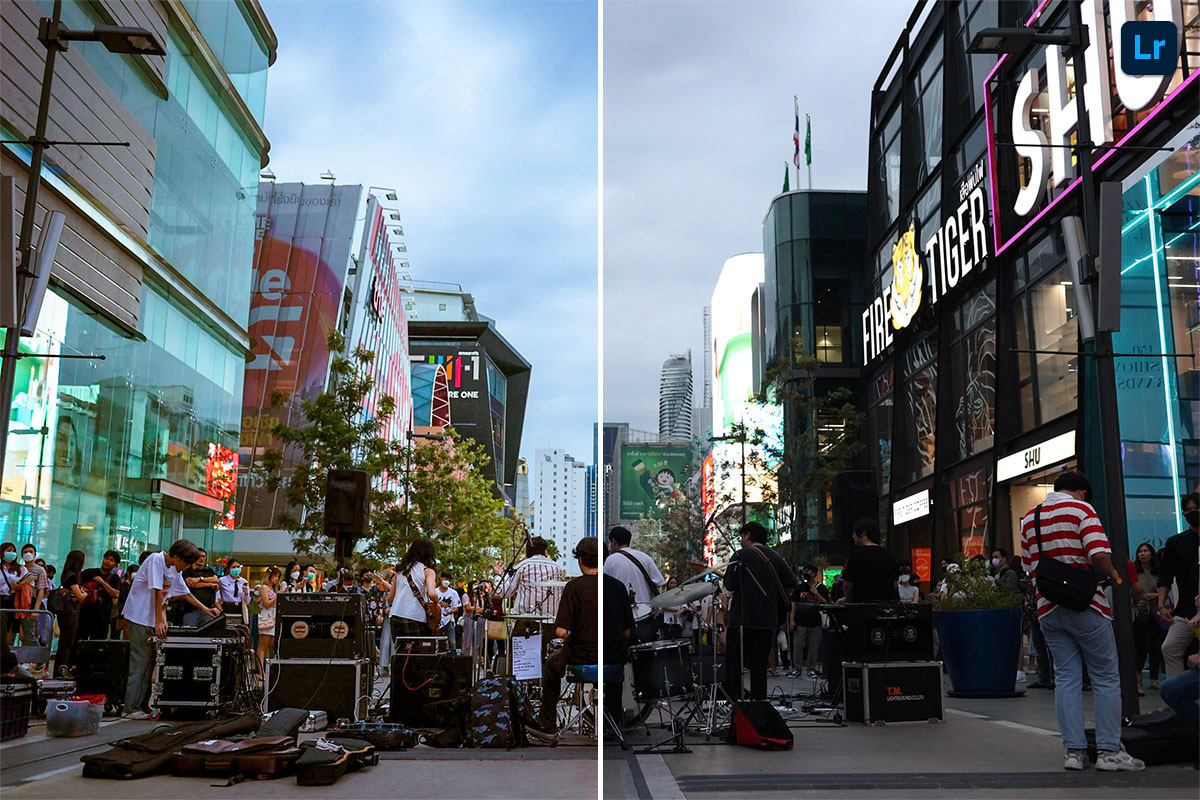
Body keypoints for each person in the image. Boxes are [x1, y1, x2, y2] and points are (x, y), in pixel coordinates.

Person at [1020, 471, 1143, 771]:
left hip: (1048, 607)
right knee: (1105, 676)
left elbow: (1028, 566)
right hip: (1085, 604)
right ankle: (1109, 751)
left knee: (1066, 678)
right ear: (1082, 493)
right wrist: (1115, 576)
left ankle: (1074, 752)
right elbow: (1098, 553)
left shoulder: (1028, 518)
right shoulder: (1082, 510)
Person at [122, 540, 220, 718]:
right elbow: (157, 590)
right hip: (140, 616)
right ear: (176, 557)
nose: (187, 567)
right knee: (140, 662)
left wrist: (206, 609)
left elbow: (185, 592)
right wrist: (160, 620)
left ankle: (142, 706)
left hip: (152, 619)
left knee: (150, 663)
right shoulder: (156, 559)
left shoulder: (175, 569)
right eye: (186, 563)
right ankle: (130, 708)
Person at [722, 521, 796, 701]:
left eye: (741, 536)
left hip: (741, 619)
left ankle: (736, 702)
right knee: (759, 666)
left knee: (734, 664)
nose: (740, 540)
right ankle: (759, 703)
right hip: (766, 621)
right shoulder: (776, 557)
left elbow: (728, 587)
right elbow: (791, 586)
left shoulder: (740, 555)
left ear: (748, 535)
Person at [538, 537, 599, 733]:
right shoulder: (616, 586)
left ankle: (547, 723)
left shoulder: (573, 587)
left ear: (580, 560)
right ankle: (614, 718)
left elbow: (561, 631)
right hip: (610, 654)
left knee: (551, 666)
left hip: (581, 653)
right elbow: (626, 630)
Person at [1157, 493, 1199, 677]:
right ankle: (1177, 692)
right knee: (1170, 647)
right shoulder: (1176, 543)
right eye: (1188, 510)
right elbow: (1165, 576)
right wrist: (1161, 605)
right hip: (1186, 608)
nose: (1192, 513)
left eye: (1196, 509)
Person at [493, 536, 566, 618]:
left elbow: (505, 592)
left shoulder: (523, 566)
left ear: (528, 551)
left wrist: (498, 576)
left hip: (526, 622)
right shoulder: (557, 568)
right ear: (545, 552)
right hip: (552, 621)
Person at [1132, 542, 1166, 694]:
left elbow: (1165, 590)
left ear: (1151, 554)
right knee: (1141, 646)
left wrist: (1157, 595)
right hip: (1141, 611)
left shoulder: (1157, 572)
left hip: (1156, 612)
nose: (1142, 554)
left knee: (1156, 646)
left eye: (1145, 551)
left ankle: (1153, 678)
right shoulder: (1134, 571)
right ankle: (1137, 677)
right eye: (1140, 551)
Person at [388, 538, 439, 640]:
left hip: (395, 615)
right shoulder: (428, 571)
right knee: (416, 653)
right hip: (415, 616)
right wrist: (437, 602)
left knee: (400, 652)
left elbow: (390, 599)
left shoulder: (401, 570)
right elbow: (432, 594)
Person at [839, 519, 898, 603]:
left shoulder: (856, 555)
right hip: (886, 607)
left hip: (862, 608)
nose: (853, 536)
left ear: (863, 533)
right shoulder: (889, 555)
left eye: (854, 533)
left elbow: (847, 585)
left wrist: (847, 599)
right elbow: (894, 584)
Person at [605, 526, 665, 604]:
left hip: (620, 609)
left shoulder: (610, 560)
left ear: (614, 541)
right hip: (644, 609)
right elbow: (659, 581)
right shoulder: (645, 557)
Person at [52, 550, 88, 678]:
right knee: (67, 642)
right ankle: (62, 668)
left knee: (65, 641)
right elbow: (79, 595)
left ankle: (60, 668)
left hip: (65, 612)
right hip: (70, 612)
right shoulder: (72, 576)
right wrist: (86, 594)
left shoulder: (65, 574)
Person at [791, 564, 828, 677]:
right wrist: (792, 620)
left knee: (813, 647)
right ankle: (797, 668)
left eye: (808, 571)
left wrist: (816, 593)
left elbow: (825, 603)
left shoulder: (821, 588)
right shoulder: (800, 588)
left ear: (814, 573)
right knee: (798, 646)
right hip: (801, 621)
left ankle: (811, 668)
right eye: (805, 570)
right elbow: (794, 603)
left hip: (814, 622)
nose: (806, 572)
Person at [79, 550, 121, 640]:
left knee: (97, 644)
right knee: (79, 641)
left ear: (116, 565)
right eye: (106, 558)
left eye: (111, 560)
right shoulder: (88, 572)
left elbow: (116, 594)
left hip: (102, 617)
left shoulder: (115, 578)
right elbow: (77, 586)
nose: (107, 561)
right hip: (84, 614)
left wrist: (103, 582)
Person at [17, 545, 48, 648]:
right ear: (21, 554)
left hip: (31, 603)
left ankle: (39, 659)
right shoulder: (18, 569)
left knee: (29, 634)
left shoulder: (40, 570)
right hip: (17, 603)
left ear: (35, 554)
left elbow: (41, 590)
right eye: (25, 552)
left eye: (31, 551)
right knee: (12, 634)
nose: (28, 554)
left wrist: (36, 609)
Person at [180, 548, 219, 627]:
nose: (202, 558)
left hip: (208, 610)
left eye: (204, 556)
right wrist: (209, 584)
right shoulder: (187, 570)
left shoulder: (209, 571)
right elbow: (190, 584)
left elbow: (216, 580)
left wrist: (199, 579)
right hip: (191, 610)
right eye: (199, 556)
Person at [0, 542, 26, 645]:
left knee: (11, 627)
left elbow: (30, 584)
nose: (11, 553)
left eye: (13, 551)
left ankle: (8, 649)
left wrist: (20, 587)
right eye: (8, 550)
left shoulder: (21, 569)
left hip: (14, 600)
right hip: (1, 598)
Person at [256, 567, 281, 673]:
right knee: (263, 645)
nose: (277, 579)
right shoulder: (264, 588)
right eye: (275, 576)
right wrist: (278, 597)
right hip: (266, 616)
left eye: (278, 577)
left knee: (269, 644)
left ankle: (266, 669)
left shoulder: (274, 589)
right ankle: (261, 671)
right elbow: (266, 604)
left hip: (273, 617)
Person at [434, 572, 461, 652]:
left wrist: (450, 612)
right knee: (436, 640)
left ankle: (453, 656)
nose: (447, 581)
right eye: (445, 579)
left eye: (448, 580)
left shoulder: (453, 593)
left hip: (449, 619)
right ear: (441, 578)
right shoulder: (435, 592)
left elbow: (457, 607)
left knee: (452, 642)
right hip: (436, 620)